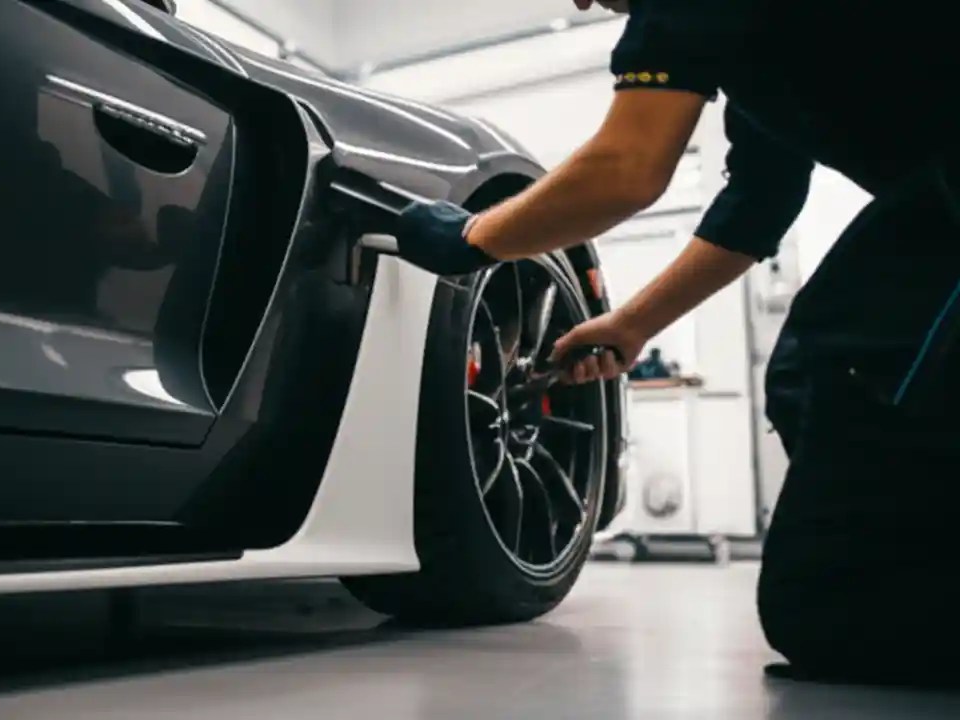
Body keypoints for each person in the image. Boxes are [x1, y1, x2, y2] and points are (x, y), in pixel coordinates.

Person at [395, 0, 960, 685]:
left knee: (836, 602)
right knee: (815, 380)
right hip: (935, 200)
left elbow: (626, 166)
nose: (578, 1)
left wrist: (469, 239)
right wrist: (631, 325)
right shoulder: (762, 48)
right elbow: (757, 206)